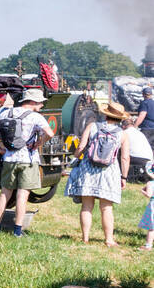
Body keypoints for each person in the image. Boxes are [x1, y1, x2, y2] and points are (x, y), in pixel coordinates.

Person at [0, 87, 54, 236]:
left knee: (4, 193)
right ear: (33, 102)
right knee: (22, 196)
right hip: (28, 160)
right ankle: (17, 230)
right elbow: (50, 133)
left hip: (9, 158)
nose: (41, 105)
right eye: (40, 102)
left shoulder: (7, 113)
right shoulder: (36, 117)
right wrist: (39, 143)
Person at [65, 99, 130, 247]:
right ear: (120, 118)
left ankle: (85, 238)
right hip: (109, 171)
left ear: (105, 114)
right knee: (106, 208)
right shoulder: (123, 134)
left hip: (89, 169)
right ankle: (109, 239)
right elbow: (125, 157)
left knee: (87, 206)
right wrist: (124, 177)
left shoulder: (92, 126)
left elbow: (81, 146)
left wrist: (75, 158)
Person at [122, 116, 153, 182]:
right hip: (149, 161)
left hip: (138, 160)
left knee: (121, 153)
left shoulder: (125, 133)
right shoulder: (140, 133)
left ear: (123, 126)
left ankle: (122, 175)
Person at [139, 179, 154, 251]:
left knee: (151, 228)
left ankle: (148, 245)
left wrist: (142, 191)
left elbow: (149, 195)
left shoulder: (150, 183)